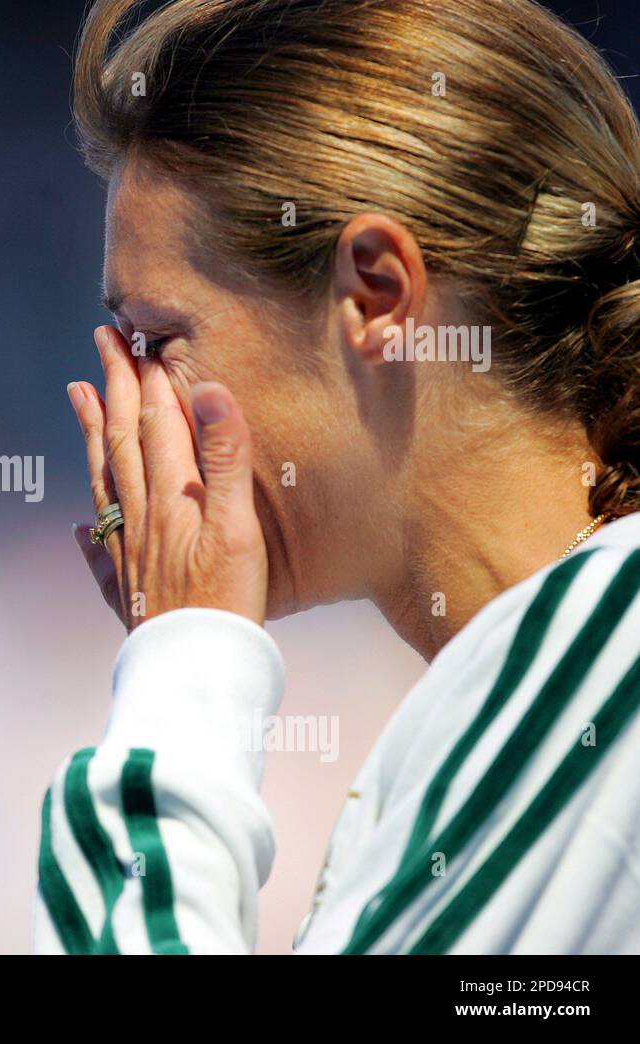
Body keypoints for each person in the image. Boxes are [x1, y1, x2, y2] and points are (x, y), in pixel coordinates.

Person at [35, 0, 640, 954]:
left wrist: (183, 671)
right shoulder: (556, 669)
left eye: (155, 340)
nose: (129, 412)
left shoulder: (609, 650)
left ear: (376, 295)